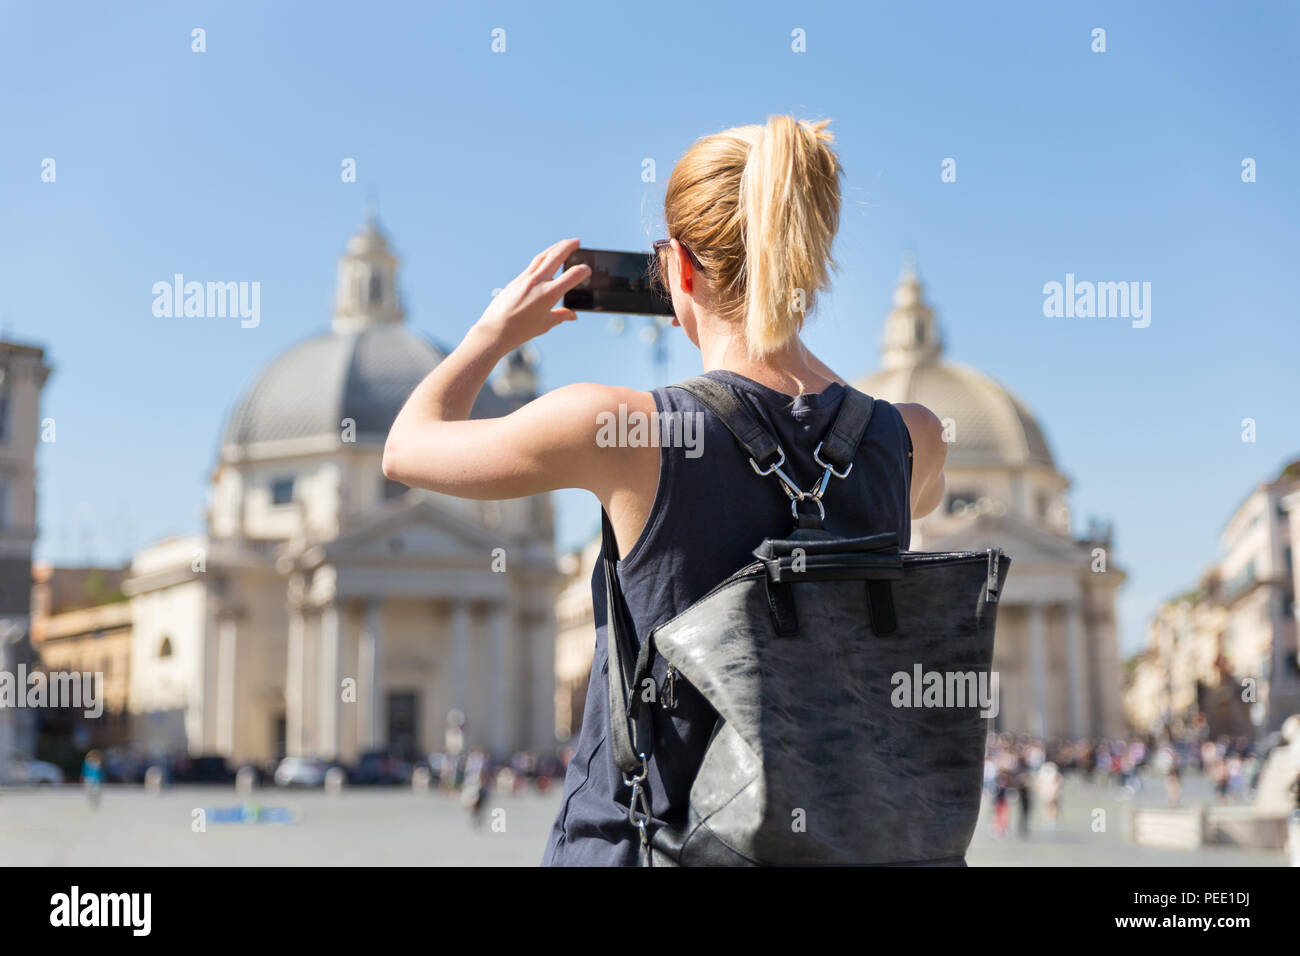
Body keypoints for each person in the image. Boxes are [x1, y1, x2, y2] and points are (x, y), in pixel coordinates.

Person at [383, 115, 948, 866]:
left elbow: (406, 447)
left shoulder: (621, 430)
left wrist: (493, 334)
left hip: (647, 845)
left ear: (677, 269)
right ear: (810, 259)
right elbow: (866, 452)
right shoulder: (912, 438)